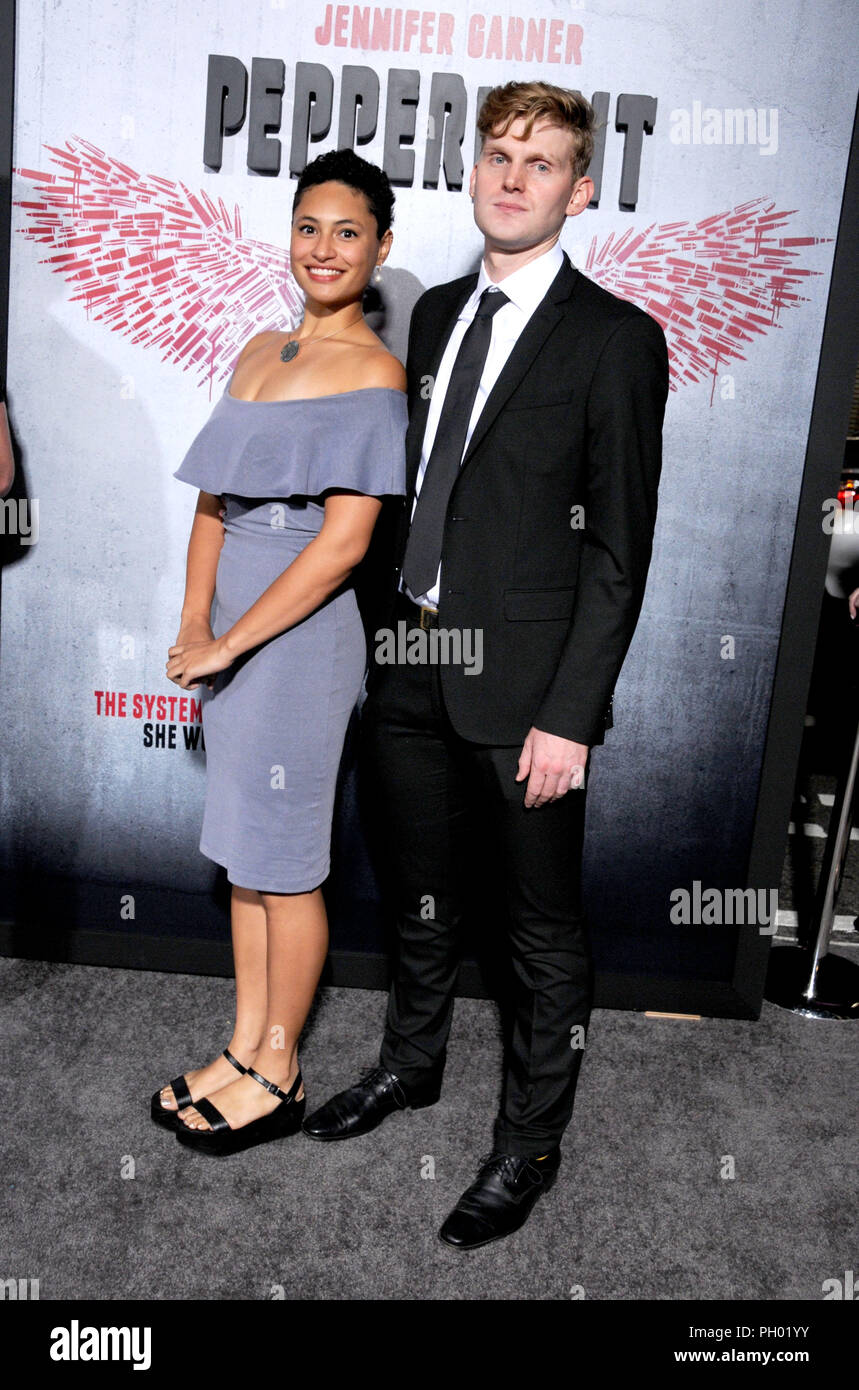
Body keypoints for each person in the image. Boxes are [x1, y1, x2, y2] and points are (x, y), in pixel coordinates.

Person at [302, 81, 670, 1249]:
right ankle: (411, 1067)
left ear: (579, 186)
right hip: (411, 659)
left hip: (526, 700)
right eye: (499, 155)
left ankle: (528, 1144)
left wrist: (571, 717)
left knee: (538, 933)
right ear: (474, 168)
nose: (514, 178)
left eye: (542, 161)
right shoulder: (435, 312)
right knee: (419, 899)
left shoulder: (615, 339)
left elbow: (617, 551)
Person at [149, 149, 408, 1157]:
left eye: (349, 231)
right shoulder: (259, 350)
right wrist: (189, 623)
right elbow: (214, 502)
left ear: (380, 247)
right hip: (228, 635)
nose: (325, 248)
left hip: (300, 643)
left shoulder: (375, 374)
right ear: (288, 236)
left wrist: (229, 641)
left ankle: (279, 1068)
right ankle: (243, 1046)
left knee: (289, 866)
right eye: (310, 227)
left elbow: (344, 546)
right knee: (248, 865)